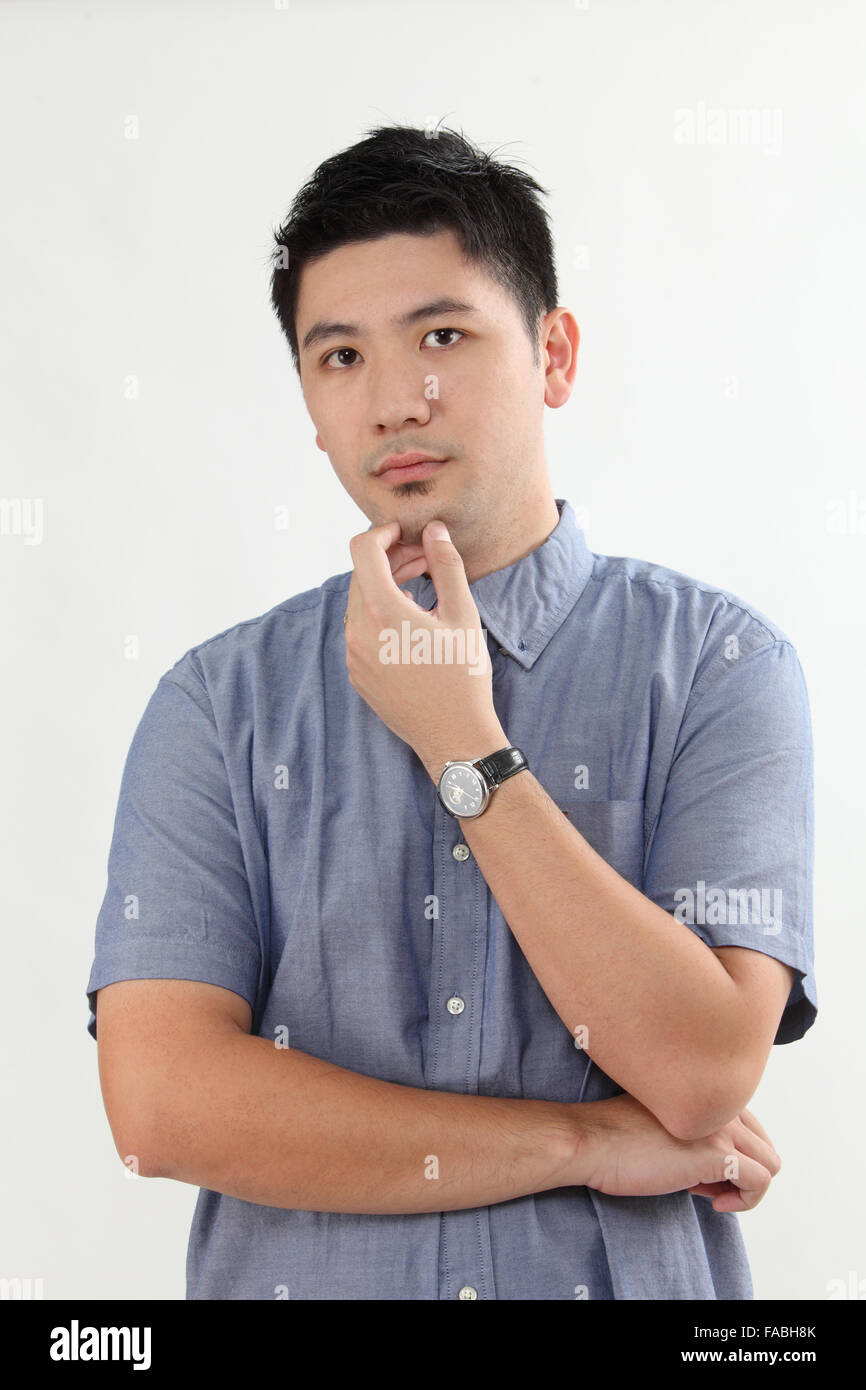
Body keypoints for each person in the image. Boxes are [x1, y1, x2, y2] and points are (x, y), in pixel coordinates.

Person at [86, 125, 816, 1300]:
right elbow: (162, 1108)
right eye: (338, 358)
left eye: (441, 336)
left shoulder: (719, 666)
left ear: (554, 354)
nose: (392, 402)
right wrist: (580, 1142)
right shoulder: (216, 706)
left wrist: (462, 743)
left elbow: (697, 1075)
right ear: (308, 404)